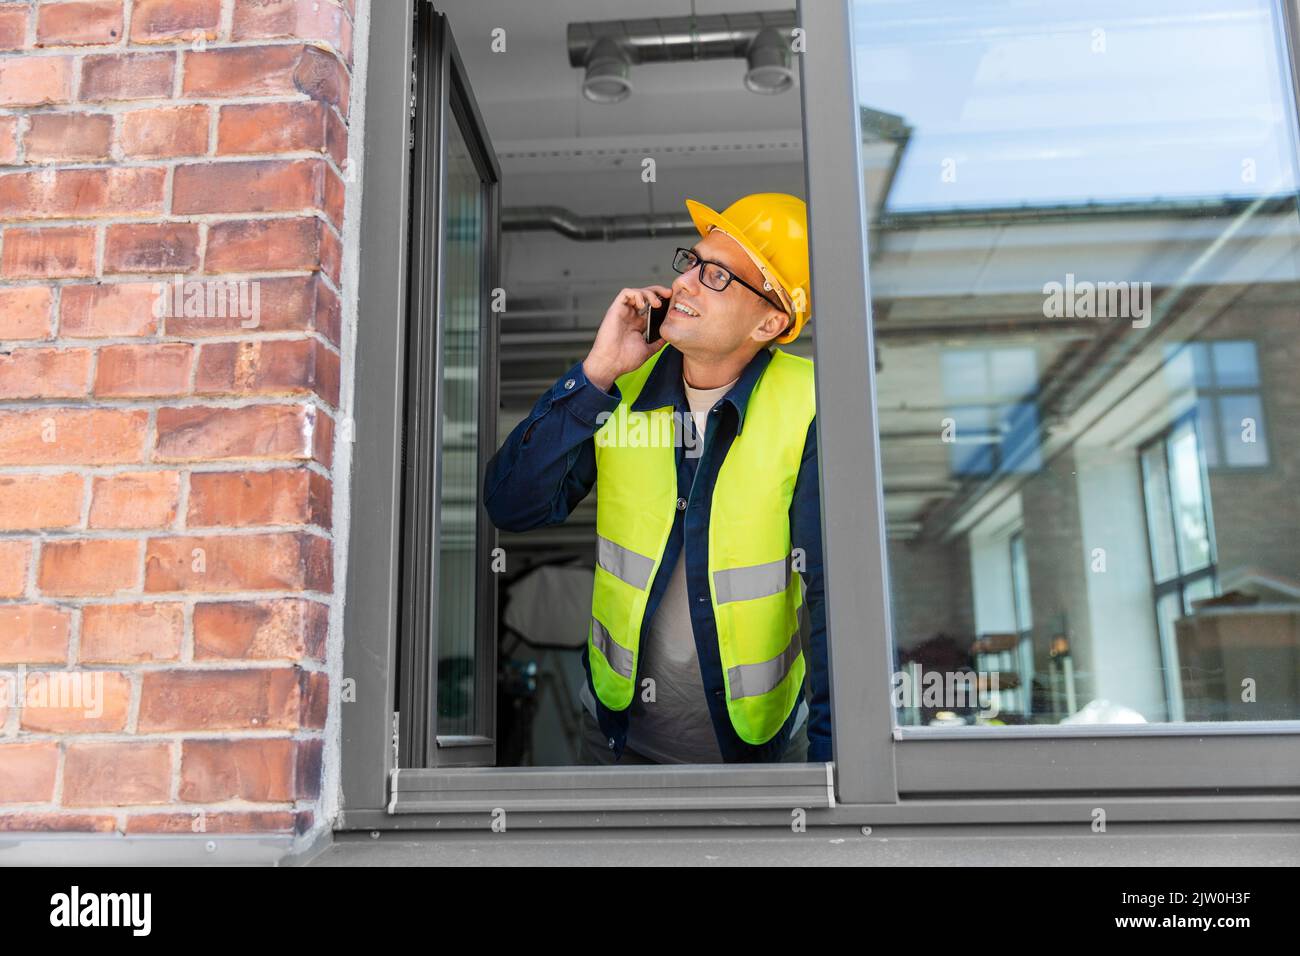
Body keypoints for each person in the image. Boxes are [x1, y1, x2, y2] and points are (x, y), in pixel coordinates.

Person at [484, 192, 830, 765]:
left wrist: (832, 772)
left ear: (771, 320)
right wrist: (595, 374)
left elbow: (829, 599)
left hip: (758, 747)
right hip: (616, 735)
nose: (688, 282)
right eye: (692, 263)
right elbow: (513, 506)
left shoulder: (808, 402)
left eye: (717, 275)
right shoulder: (622, 383)